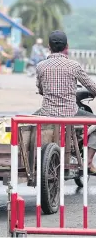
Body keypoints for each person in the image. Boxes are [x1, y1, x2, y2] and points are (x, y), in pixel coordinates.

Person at [34, 30, 96, 174]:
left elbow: (41, 89)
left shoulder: (41, 66)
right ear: (66, 46)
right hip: (71, 114)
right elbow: (92, 86)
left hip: (47, 113)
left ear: (49, 47)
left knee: (27, 123)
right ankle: (88, 162)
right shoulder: (74, 66)